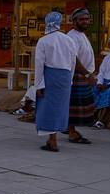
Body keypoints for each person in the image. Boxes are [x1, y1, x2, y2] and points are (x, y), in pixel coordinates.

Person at [33, 11, 79, 152]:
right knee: (60, 108)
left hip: (50, 76)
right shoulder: (69, 40)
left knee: (48, 107)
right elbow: (73, 62)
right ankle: (52, 138)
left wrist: (39, 84)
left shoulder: (44, 41)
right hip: (65, 77)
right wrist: (69, 80)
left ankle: (52, 140)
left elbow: (39, 65)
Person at [64, 8, 97, 144]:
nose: (85, 21)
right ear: (74, 21)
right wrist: (87, 74)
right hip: (76, 75)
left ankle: (71, 129)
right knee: (74, 106)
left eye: (87, 19)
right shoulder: (71, 36)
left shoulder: (82, 35)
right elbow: (74, 59)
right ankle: (71, 133)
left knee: (78, 106)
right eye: (82, 19)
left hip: (83, 74)